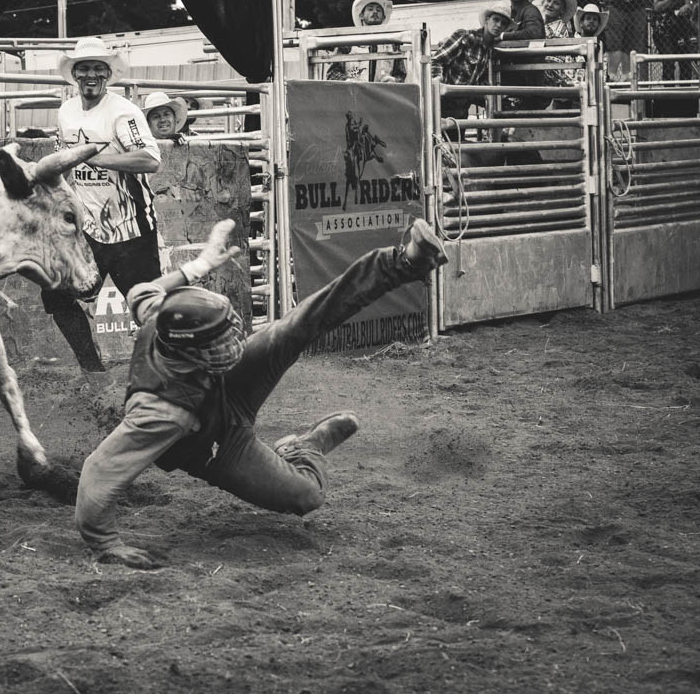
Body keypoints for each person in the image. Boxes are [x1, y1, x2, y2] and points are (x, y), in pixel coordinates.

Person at [74, 217, 449, 568]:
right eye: (219, 343)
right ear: (191, 350)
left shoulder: (161, 315)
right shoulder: (160, 416)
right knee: (307, 495)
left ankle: (405, 262)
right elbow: (97, 474)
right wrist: (105, 543)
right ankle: (304, 449)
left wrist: (201, 263)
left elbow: (143, 290)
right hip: (215, 442)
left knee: (296, 327)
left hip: (222, 384)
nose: (232, 343)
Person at [50, 36, 163, 373]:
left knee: (148, 308)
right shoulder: (66, 112)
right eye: (84, 69)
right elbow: (63, 159)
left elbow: (150, 159)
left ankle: (165, 373)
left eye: (98, 69)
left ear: (109, 74)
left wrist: (95, 158)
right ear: (74, 74)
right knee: (58, 295)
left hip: (131, 227)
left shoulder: (123, 112)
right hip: (88, 229)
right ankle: (93, 371)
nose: (91, 75)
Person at [432, 2, 512, 123]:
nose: (499, 25)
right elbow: (436, 60)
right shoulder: (466, 37)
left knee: (457, 133)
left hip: (463, 104)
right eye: (496, 20)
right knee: (440, 132)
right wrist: (437, 82)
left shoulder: (491, 50)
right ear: (487, 20)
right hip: (445, 100)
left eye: (503, 23)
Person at [327, 0, 406, 83]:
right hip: (353, 91)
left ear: (383, 17)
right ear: (361, 15)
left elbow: (401, 74)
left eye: (378, 10)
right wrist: (347, 81)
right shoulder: (348, 43)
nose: (375, 12)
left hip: (382, 92)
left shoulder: (392, 45)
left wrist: (394, 80)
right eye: (370, 9)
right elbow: (332, 73)